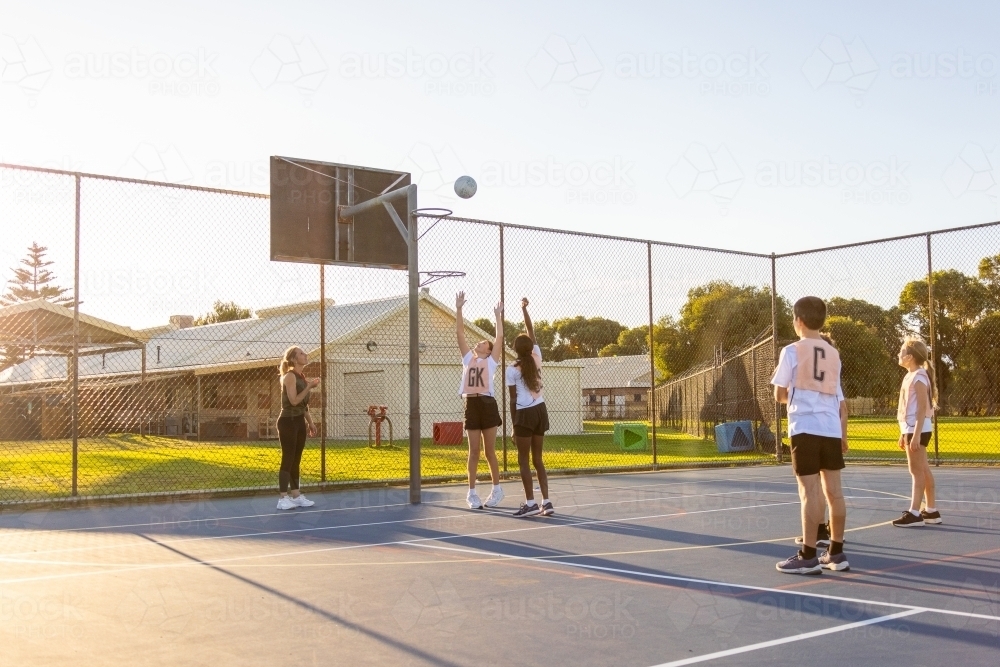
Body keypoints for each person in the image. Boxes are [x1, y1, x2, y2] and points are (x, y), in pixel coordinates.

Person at [771, 297, 849, 574]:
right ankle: (836, 554)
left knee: (809, 491)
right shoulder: (833, 353)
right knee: (834, 492)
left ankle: (807, 555)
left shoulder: (791, 351)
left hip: (804, 427)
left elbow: (779, 393)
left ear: (798, 321)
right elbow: (838, 397)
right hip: (830, 428)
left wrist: (792, 392)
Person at [455, 292, 505, 509]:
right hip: (471, 405)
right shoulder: (468, 359)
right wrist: (458, 309)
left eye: (483, 342)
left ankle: (497, 489)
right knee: (473, 451)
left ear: (489, 350)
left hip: (487, 405)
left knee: (489, 451)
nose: (479, 343)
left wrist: (498, 317)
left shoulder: (491, 362)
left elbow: (500, 338)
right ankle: (472, 493)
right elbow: (460, 334)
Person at [506, 298, 553, 518]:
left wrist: (514, 426)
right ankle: (547, 501)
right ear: (531, 348)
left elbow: (513, 400)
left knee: (523, 460)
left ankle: (530, 503)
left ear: (514, 349)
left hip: (524, 414)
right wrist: (524, 309)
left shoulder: (512, 369)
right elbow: (531, 330)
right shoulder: (537, 357)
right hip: (540, 410)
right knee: (538, 459)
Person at [892, 337, 942, 527]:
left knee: (916, 471)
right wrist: (904, 433)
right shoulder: (911, 375)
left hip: (917, 429)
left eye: (902, 351)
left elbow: (921, 408)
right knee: (923, 469)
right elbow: (909, 408)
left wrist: (915, 435)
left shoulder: (919, 377)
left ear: (910, 357)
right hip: (912, 428)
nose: (899, 354)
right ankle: (931, 510)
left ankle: (914, 512)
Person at [276, 346, 319, 511]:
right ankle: (282, 498)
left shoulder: (302, 377)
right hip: (288, 421)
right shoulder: (289, 377)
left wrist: (310, 422)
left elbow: (303, 405)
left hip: (299, 421)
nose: (305, 355)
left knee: (296, 460)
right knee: (288, 459)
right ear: (294, 359)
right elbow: (294, 401)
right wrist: (309, 387)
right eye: (301, 353)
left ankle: (296, 495)